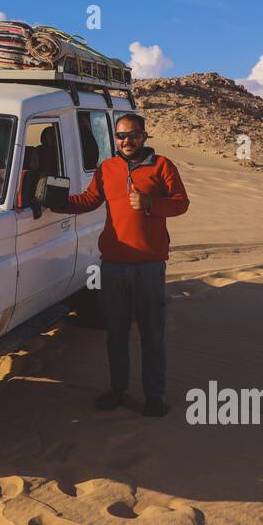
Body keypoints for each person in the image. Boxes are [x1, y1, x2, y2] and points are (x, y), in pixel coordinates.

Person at [49, 112, 189, 416]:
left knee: (152, 334)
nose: (127, 141)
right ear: (115, 138)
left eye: (133, 134)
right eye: (121, 136)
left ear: (144, 136)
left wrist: (150, 204)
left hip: (149, 265)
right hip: (112, 265)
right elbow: (88, 200)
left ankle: (155, 397)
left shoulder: (162, 166)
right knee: (116, 333)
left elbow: (181, 203)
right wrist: (53, 201)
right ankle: (118, 389)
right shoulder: (107, 168)